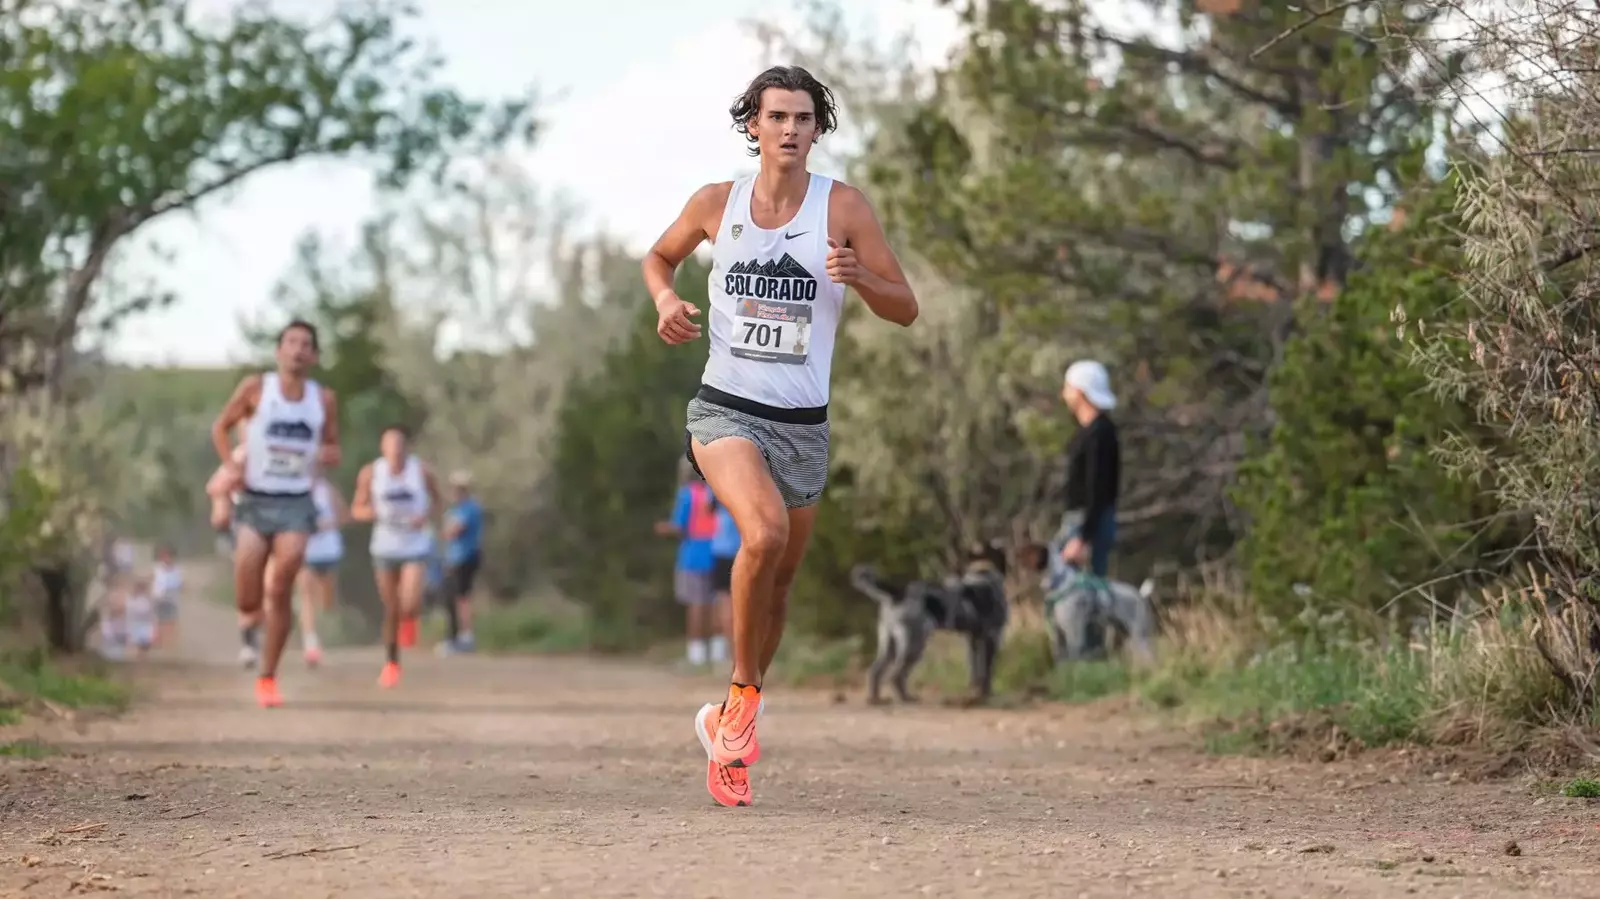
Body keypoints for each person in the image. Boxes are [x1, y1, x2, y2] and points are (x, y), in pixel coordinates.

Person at [642, 65, 918, 807]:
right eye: (777, 117)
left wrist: (858, 274)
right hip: (724, 411)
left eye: (803, 118)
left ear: (818, 129)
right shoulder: (716, 204)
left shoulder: (844, 208)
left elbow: (906, 308)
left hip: (803, 426)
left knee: (782, 582)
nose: (790, 129)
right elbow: (657, 255)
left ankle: (729, 726)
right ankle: (740, 702)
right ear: (753, 126)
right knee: (759, 537)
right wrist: (665, 296)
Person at [210, 320, 341, 707]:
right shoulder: (256, 388)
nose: (298, 349)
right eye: (291, 342)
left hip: (297, 501)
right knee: (248, 576)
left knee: (282, 583)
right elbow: (221, 427)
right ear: (279, 351)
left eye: (306, 344)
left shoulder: (323, 399)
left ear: (314, 356)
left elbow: (332, 444)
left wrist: (331, 454)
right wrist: (231, 468)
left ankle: (268, 677)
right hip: (254, 497)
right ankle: (250, 615)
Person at [350, 424, 442, 688]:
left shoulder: (421, 471)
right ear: (383, 450)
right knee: (390, 607)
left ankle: (411, 617)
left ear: (406, 449)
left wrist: (424, 516)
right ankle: (391, 663)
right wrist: (373, 514)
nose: (396, 453)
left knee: (409, 601)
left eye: (400, 447)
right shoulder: (371, 473)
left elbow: (438, 502)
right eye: (391, 448)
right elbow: (357, 508)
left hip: (415, 544)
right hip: (385, 545)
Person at [1056, 360, 1122, 579]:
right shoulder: (1091, 432)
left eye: (1067, 387)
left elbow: (1098, 487)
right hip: (1083, 523)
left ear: (1080, 391)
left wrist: (1082, 538)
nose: (1063, 394)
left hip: (1086, 524)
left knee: (1082, 596)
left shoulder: (1099, 434)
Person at [654, 463, 719, 667]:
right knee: (717, 603)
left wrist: (664, 528)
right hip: (718, 553)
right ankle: (718, 651)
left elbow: (680, 526)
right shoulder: (717, 491)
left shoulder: (687, 494)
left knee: (696, 604)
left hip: (692, 556)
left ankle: (696, 654)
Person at [297, 473, 349, 668]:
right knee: (306, 594)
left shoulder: (327, 489)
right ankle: (310, 642)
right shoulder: (294, 490)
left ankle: (326, 630)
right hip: (304, 551)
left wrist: (326, 524)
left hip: (327, 550)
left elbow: (344, 515)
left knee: (327, 601)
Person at [438, 470, 484, 655]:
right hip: (454, 557)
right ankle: (456, 635)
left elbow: (453, 531)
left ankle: (465, 637)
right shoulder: (457, 509)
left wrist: (445, 532)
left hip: (465, 557)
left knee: (461, 598)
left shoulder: (468, 508)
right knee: (454, 598)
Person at [708, 495, 741, 664]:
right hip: (743, 550)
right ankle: (739, 654)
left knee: (725, 603)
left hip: (722, 552)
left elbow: (708, 509)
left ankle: (733, 654)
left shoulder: (716, 487)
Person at [151, 545, 183, 650]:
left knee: (171, 622)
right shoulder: (158, 569)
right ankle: (159, 642)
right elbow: (155, 583)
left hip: (172, 599)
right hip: (160, 598)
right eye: (165, 556)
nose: (167, 559)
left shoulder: (176, 570)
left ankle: (169, 645)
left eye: (169, 556)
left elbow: (180, 584)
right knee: (159, 621)